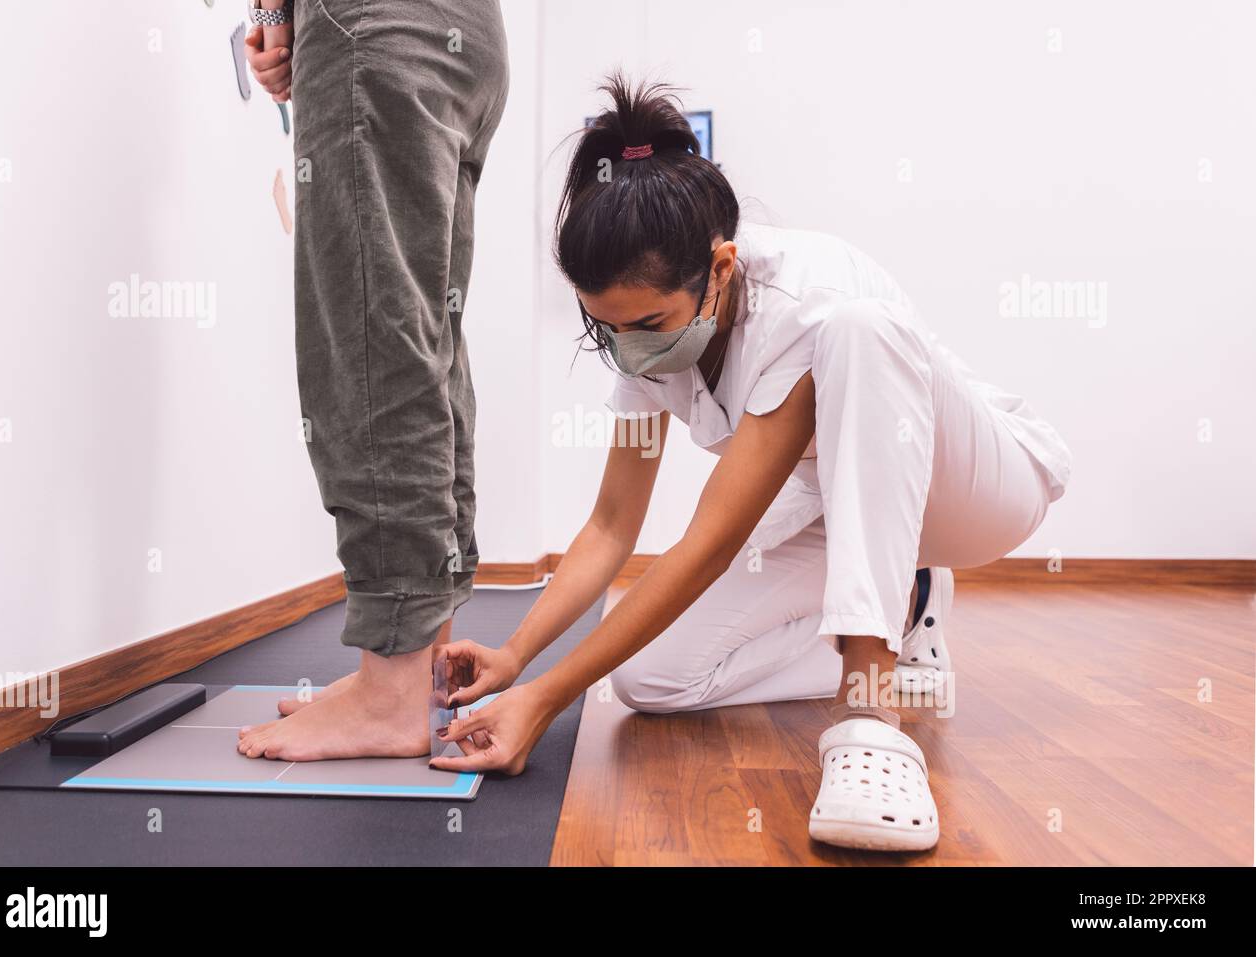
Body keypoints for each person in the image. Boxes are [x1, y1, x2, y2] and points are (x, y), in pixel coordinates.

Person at [429, 76, 1071, 852]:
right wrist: (515, 655)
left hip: (974, 488)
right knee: (649, 680)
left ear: (721, 269)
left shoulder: (804, 299)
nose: (630, 346)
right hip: (839, 501)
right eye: (608, 328)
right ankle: (905, 607)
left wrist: (545, 700)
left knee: (857, 328)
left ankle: (870, 710)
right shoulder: (649, 342)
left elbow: (710, 542)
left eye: (648, 323)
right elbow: (609, 526)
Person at [236, 0, 510, 761]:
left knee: (369, 350)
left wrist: (273, 16)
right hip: (465, 38)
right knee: (421, 340)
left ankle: (388, 694)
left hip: (369, 28)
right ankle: (420, 665)